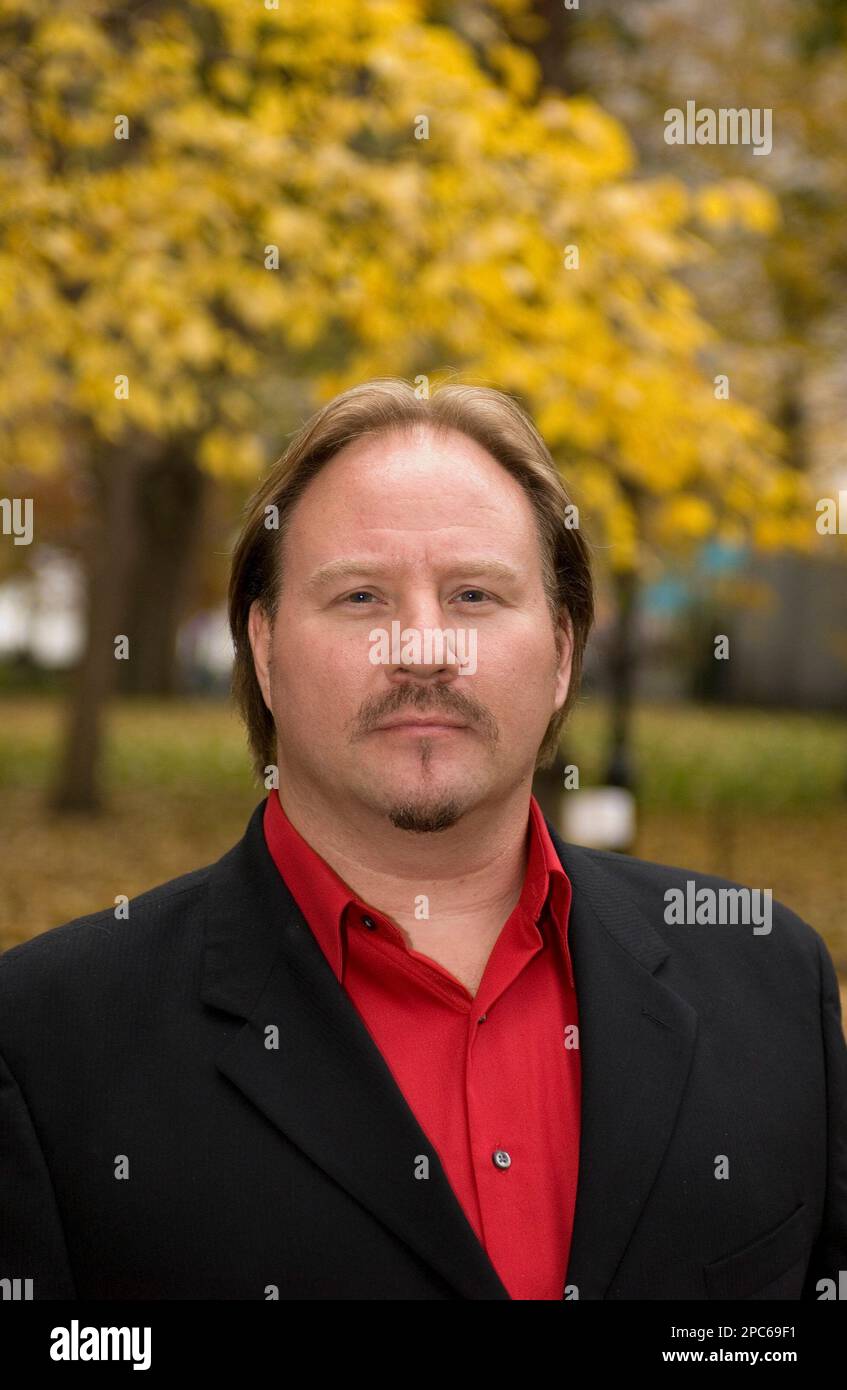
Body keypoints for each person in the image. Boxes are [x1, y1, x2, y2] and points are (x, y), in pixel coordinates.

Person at [1, 379, 844, 1301]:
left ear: (562, 653)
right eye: (361, 596)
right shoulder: (47, 1043)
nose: (425, 648)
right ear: (266, 646)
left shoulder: (770, 980)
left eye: (475, 595)